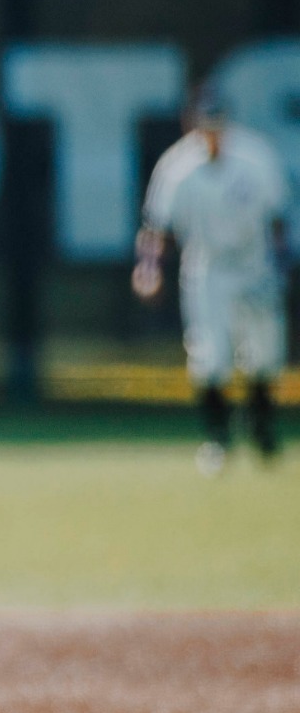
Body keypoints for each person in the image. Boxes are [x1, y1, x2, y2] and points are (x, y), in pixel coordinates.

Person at [136, 88, 292, 474]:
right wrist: (149, 268)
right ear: (192, 125)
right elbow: (156, 226)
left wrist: (283, 265)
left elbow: (278, 219)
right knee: (210, 356)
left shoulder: (255, 157)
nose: (212, 134)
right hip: (208, 268)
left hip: (255, 266)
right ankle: (217, 437)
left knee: (264, 353)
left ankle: (261, 427)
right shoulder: (177, 166)